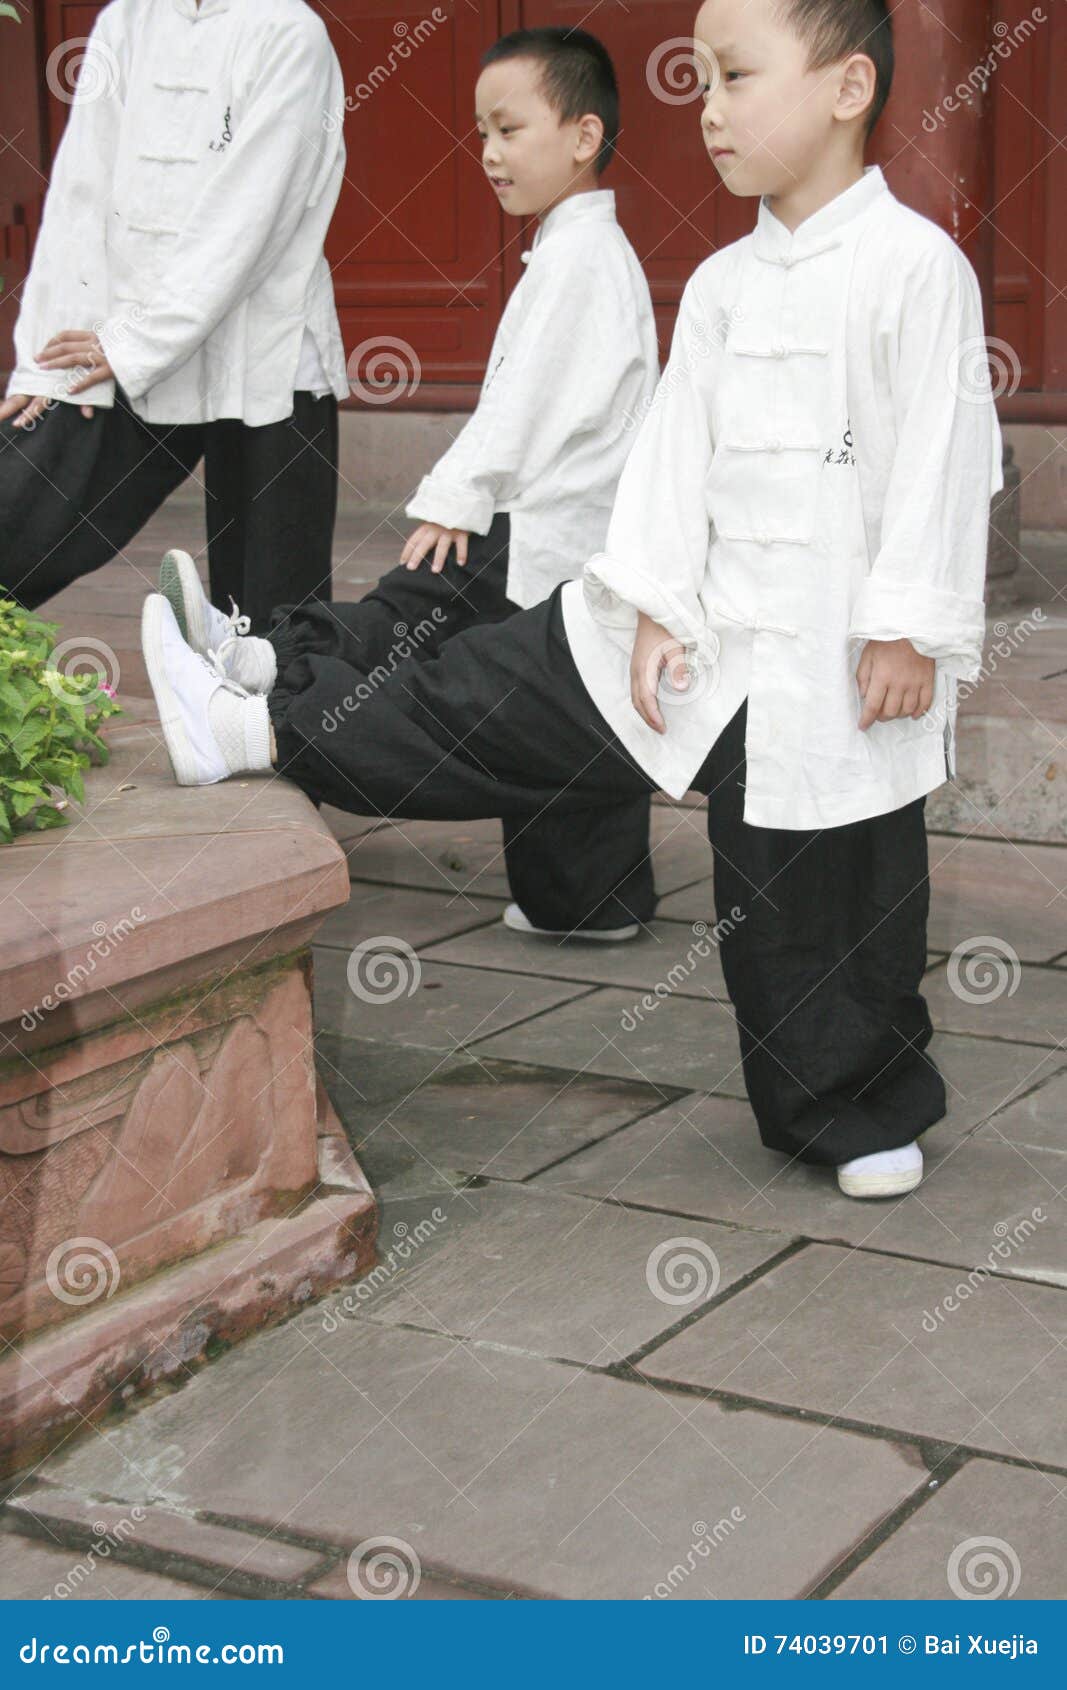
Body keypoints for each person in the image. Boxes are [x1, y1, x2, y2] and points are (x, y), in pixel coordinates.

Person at [139, 0, 1004, 1202]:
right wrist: (649, 597)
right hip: (693, 633)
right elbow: (671, 460)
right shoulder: (716, 285)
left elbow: (943, 460)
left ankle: (851, 1107)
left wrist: (907, 625)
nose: (706, 108)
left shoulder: (917, 271)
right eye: (699, 78)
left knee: (825, 892)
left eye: (736, 76)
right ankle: (254, 722)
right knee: (479, 703)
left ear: (849, 87)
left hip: (834, 664)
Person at [162, 24, 660, 941]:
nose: (490, 154)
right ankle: (589, 905)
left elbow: (524, 409)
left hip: (537, 529)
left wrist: (449, 497)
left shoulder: (584, 257)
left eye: (510, 130)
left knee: (420, 628)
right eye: (481, 134)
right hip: (553, 533)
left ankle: (258, 676)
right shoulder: (574, 248)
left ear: (583, 136)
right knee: (540, 718)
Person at [0, 0, 349, 633]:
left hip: (264, 349)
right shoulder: (124, 22)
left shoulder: (291, 32)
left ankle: (273, 728)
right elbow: (82, 186)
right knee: (21, 507)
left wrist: (142, 339)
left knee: (273, 607)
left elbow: (255, 212)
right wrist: (42, 361)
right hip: (118, 342)